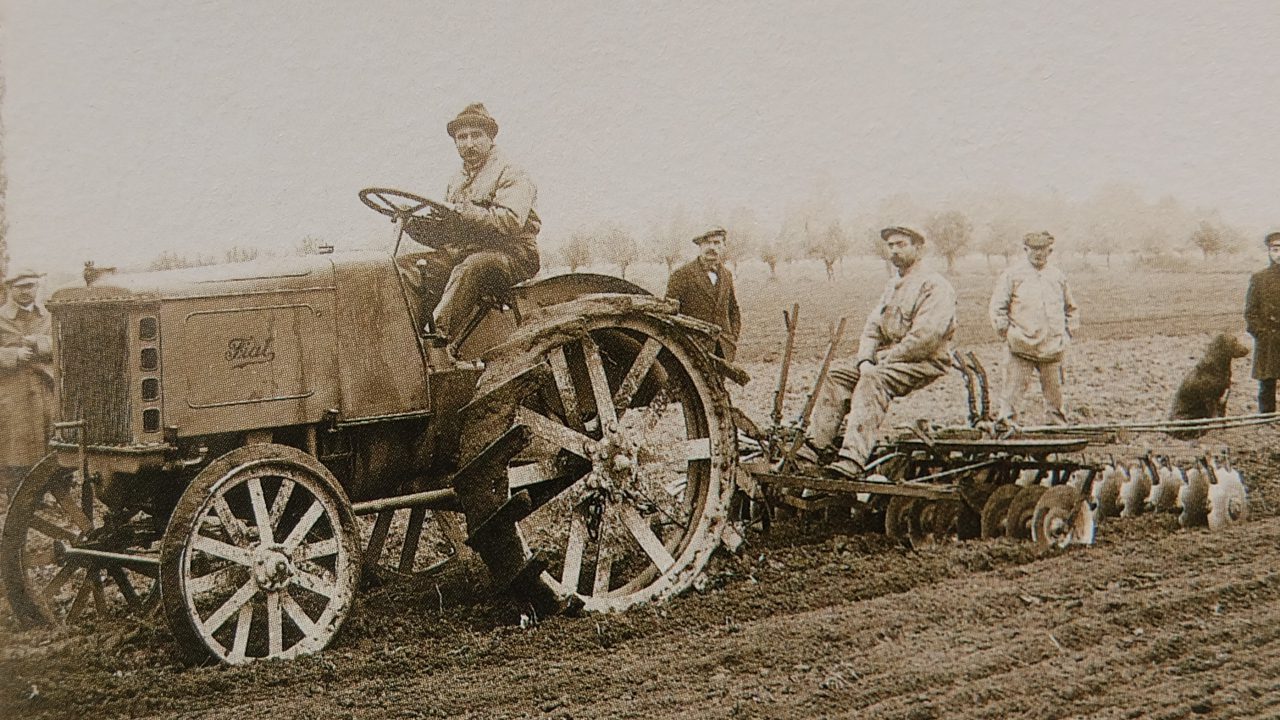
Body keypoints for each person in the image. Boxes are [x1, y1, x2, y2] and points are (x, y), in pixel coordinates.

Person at [800, 226, 957, 479]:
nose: (894, 250)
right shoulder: (894, 285)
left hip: (923, 361)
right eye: (891, 245)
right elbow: (872, 328)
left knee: (874, 379)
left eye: (901, 244)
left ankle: (852, 458)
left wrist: (884, 360)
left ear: (918, 248)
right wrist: (864, 360)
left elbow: (926, 338)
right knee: (838, 377)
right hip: (889, 361)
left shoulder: (935, 286)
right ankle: (814, 448)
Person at [405, 102, 541, 340]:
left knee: (473, 267)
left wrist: (464, 211)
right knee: (409, 268)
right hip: (466, 253)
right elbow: (448, 234)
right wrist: (413, 224)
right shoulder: (456, 181)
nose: (468, 143)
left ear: (490, 138)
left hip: (513, 255)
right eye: (462, 137)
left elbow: (509, 221)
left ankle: (439, 338)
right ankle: (405, 334)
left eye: (476, 135)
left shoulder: (511, 173)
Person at [988, 231, 1080, 425]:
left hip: (1052, 348)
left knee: (1055, 398)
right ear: (1025, 250)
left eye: (1043, 250)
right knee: (1011, 397)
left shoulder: (1057, 276)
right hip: (1021, 347)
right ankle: (1008, 433)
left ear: (1050, 250)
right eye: (1034, 249)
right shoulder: (1013, 275)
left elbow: (1070, 308)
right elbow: (998, 308)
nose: (1038, 254)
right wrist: (1009, 334)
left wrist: (1067, 334)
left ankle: (1057, 437)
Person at [0, 269, 56, 497]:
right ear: (10, 289)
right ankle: (17, 496)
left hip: (45, 388)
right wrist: (12, 355)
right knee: (16, 444)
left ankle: (53, 491)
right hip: (13, 389)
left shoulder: (48, 316)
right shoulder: (1, 317)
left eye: (30, 286)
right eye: (20, 287)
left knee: (51, 438)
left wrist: (39, 344)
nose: (26, 292)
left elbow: (61, 341)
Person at [664, 227, 742, 362]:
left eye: (717, 243)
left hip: (723, 349)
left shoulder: (727, 275)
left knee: (719, 383)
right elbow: (668, 314)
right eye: (707, 243)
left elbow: (733, 309)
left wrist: (732, 337)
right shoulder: (681, 275)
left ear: (724, 246)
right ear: (699, 246)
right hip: (691, 350)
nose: (712, 247)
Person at [1245, 230, 1280, 413]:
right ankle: (1266, 417)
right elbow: (1251, 313)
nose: (1279, 254)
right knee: (1267, 382)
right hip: (1268, 338)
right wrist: (1261, 333)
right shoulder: (1259, 279)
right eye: (1275, 249)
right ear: (1269, 251)